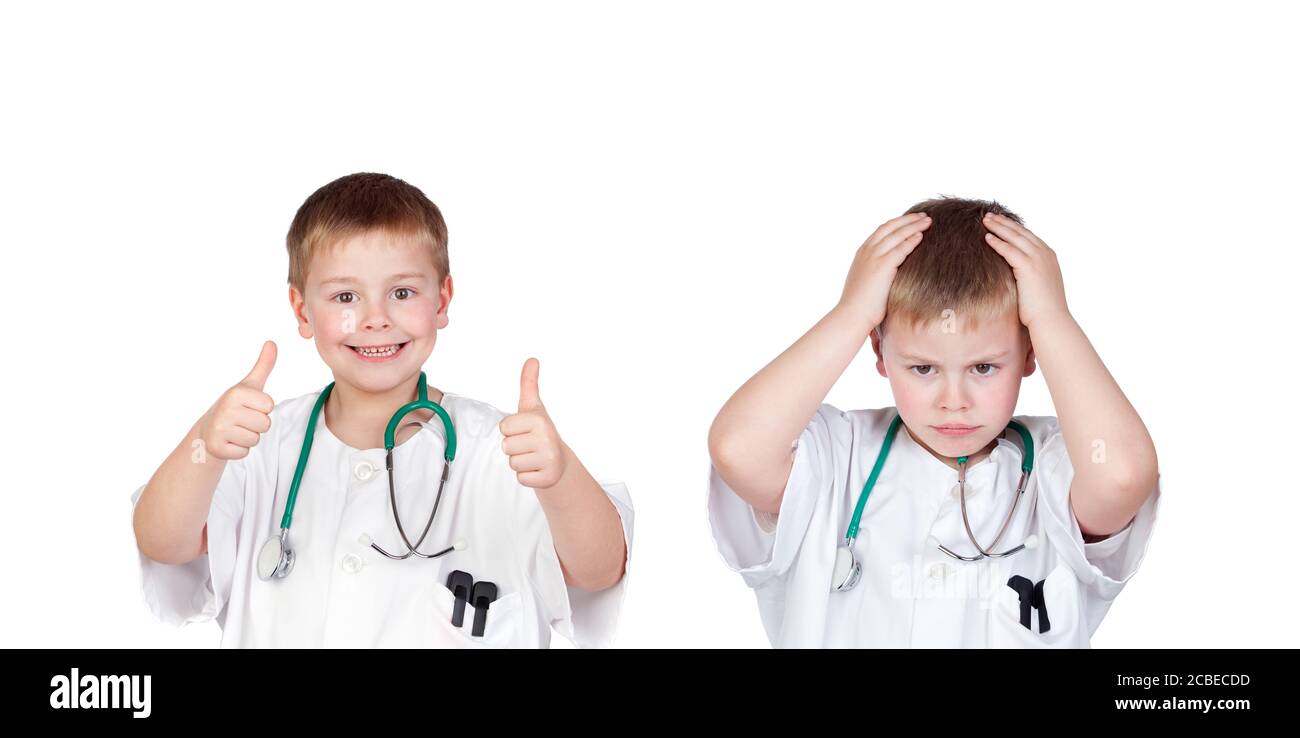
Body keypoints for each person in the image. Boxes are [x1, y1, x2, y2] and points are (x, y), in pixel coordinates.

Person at [132, 172, 632, 647]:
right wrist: (204, 441)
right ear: (303, 311)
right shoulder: (256, 444)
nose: (375, 319)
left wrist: (560, 476)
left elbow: (598, 572)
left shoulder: (503, 451)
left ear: (442, 300)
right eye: (345, 295)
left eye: (402, 292)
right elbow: (163, 542)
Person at [707, 197, 1159, 647]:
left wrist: (1052, 318)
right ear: (880, 353)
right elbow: (739, 448)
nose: (954, 402)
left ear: (1029, 353)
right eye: (923, 369)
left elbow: (1121, 476)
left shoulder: (1057, 469)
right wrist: (851, 313)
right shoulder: (836, 456)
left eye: (983, 368)